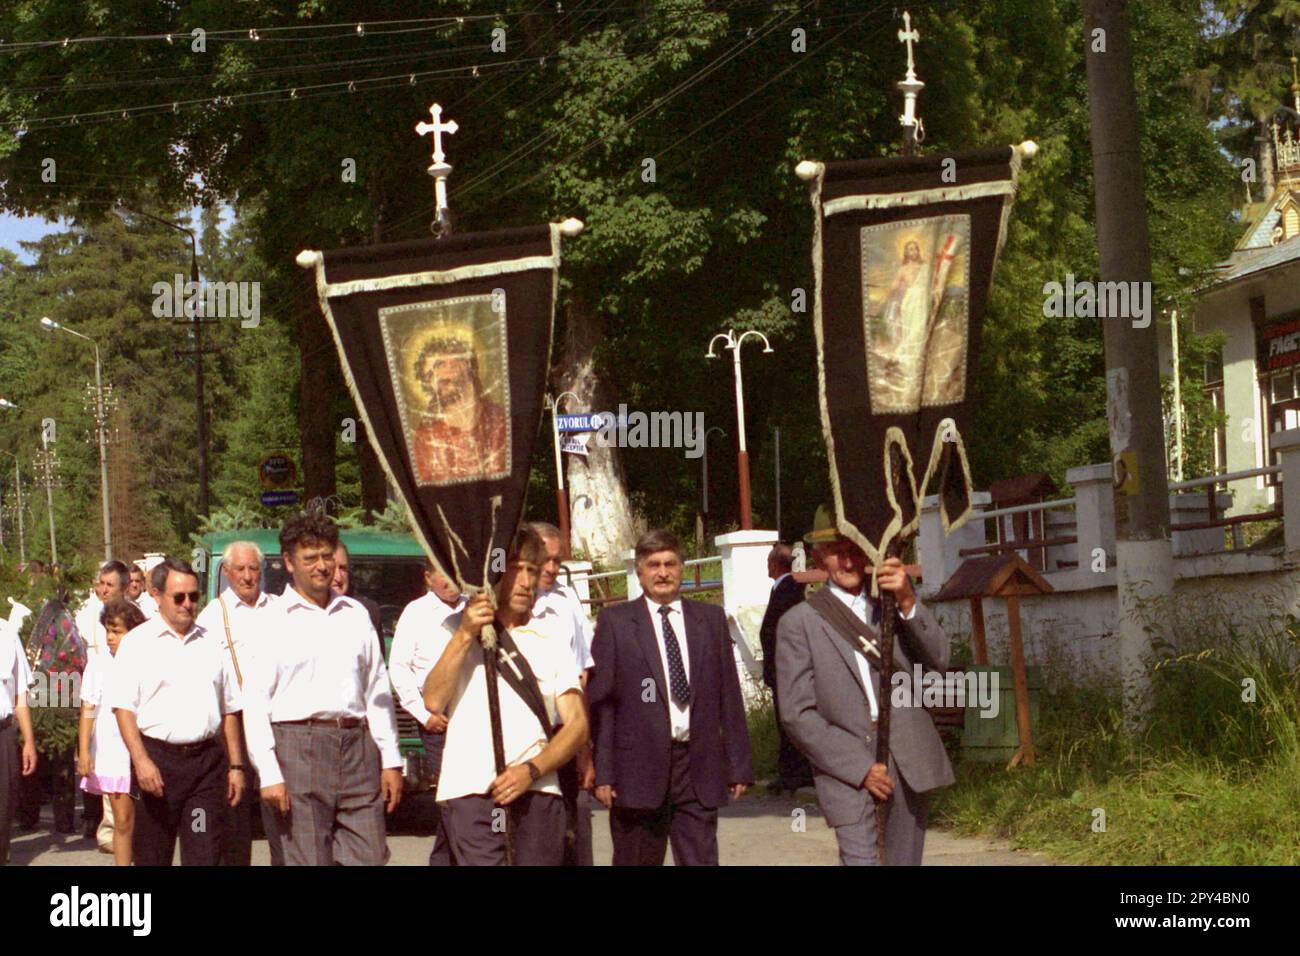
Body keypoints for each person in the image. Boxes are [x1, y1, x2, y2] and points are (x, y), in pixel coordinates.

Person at [774, 510, 954, 866]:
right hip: (846, 767)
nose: (847, 559)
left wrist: (906, 600)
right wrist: (860, 767)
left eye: (854, 548)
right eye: (835, 550)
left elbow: (940, 658)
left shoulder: (889, 606)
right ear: (819, 557)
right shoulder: (799, 623)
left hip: (908, 759)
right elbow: (797, 714)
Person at [243, 513, 404, 866]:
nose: (322, 566)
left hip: (357, 749)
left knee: (371, 856)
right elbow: (255, 704)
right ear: (288, 562)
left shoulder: (356, 614)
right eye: (310, 558)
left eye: (327, 556)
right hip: (297, 748)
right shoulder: (271, 621)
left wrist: (391, 759)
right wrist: (269, 773)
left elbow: (377, 688)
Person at [423, 525, 588, 866]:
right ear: (495, 574)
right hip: (471, 791)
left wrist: (532, 769)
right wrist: (467, 632)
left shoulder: (551, 637)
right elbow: (433, 700)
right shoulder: (455, 629)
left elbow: (577, 725)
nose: (527, 582)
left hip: (538, 791)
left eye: (533, 570)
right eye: (516, 570)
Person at [588, 529, 753, 866]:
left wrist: (739, 764)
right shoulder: (616, 623)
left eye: (670, 564)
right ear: (639, 571)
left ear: (681, 568)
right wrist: (603, 771)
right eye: (653, 565)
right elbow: (603, 705)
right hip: (636, 772)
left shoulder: (710, 620)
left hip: (697, 766)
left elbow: (729, 695)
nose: (662, 573)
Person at [107, 558, 246, 866]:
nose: (188, 604)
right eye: (179, 597)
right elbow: (123, 708)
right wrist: (141, 761)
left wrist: (236, 765)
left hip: (204, 771)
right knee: (153, 856)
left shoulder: (212, 642)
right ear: (156, 596)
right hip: (158, 767)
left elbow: (230, 710)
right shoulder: (137, 644)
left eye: (194, 597)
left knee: (203, 853)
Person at [194, 540, 277, 867]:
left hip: (277, 715)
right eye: (239, 569)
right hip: (236, 720)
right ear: (226, 572)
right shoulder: (213, 616)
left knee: (280, 802)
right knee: (236, 809)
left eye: (253, 568)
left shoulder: (278, 608)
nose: (247, 576)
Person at [528, 521, 596, 866]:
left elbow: (582, 674)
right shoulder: (505, 600)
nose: (552, 568)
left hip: (564, 730)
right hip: (522, 737)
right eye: (545, 559)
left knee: (576, 822)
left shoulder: (566, 602)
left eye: (558, 560)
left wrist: (584, 748)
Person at [389, 559, 465, 865]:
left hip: (475, 718)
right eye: (441, 575)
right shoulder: (416, 613)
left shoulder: (474, 608)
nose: (449, 582)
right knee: (454, 799)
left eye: (454, 574)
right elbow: (399, 668)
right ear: (428, 577)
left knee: (479, 798)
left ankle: (448, 859)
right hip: (439, 721)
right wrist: (423, 714)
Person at [77, 599, 145, 866]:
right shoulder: (99, 663)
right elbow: (89, 708)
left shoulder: (146, 660)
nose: (110, 637)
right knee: (123, 820)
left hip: (144, 750)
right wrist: (83, 751)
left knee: (145, 822)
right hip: (112, 752)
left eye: (117, 631)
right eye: (107, 630)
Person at [412, 334, 508, 484]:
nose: (436, 377)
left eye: (440, 364)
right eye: (429, 375)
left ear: (466, 364)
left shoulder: (499, 419)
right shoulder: (427, 435)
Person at [759, 542, 813, 793]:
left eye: (769, 562)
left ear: (774, 564)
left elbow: (780, 630)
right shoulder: (782, 588)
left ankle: (795, 772)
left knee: (790, 720)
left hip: (787, 668)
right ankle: (791, 771)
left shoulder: (789, 589)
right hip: (780, 668)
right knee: (785, 721)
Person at [1, 604, 37, 866]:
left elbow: (19, 695)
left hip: (4, 734)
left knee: (3, 811)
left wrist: (29, 742)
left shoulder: (7, 634)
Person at [332, 541, 383, 637]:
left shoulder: (367, 610)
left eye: (343, 568)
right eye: (331, 568)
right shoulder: (300, 610)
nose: (338, 577)